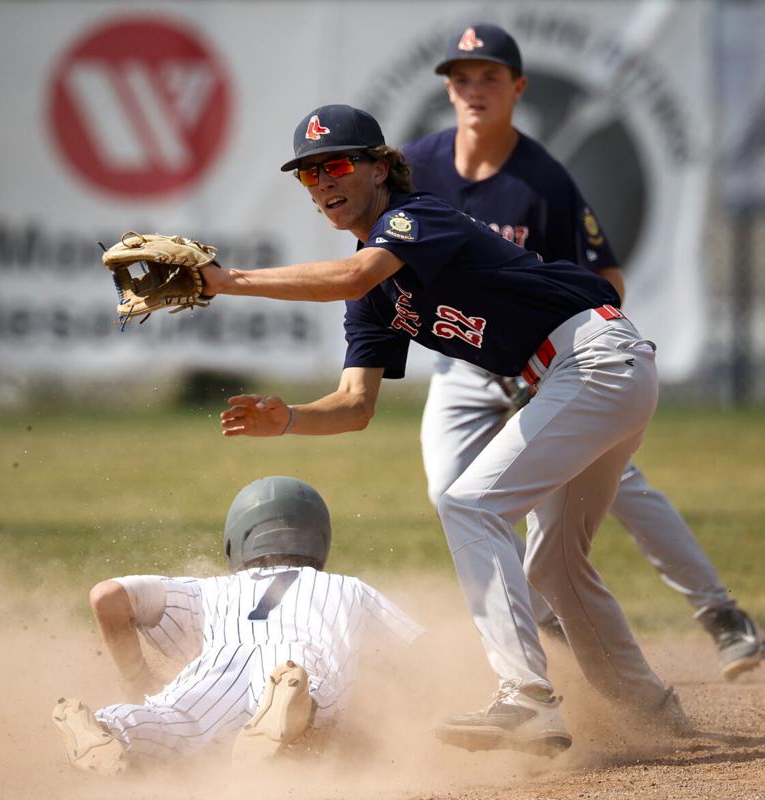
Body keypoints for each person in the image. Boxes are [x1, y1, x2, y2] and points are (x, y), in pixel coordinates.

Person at [197, 103, 686, 755]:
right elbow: (354, 404)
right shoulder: (368, 300)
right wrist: (289, 418)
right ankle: (650, 712)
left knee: (469, 500)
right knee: (555, 566)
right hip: (592, 376)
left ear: (380, 167)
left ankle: (528, 699)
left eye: (337, 164)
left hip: (594, 360)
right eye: (308, 175)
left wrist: (229, 282)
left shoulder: (412, 217)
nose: (322, 183)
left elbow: (353, 270)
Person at [403, 21, 761, 683]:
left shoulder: (544, 181)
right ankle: (542, 619)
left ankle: (721, 613)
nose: (474, 90)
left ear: (518, 87)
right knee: (452, 493)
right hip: (464, 362)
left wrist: (547, 356)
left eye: (488, 77)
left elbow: (608, 283)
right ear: (448, 91)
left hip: (545, 359)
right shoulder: (417, 167)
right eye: (461, 79)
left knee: (619, 481)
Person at [51, 476, 424, 774]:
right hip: (296, 666)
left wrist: (137, 678)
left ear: (236, 540)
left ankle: (109, 726)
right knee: (317, 700)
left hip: (219, 668)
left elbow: (106, 595)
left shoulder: (212, 589)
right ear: (320, 539)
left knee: (175, 722)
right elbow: (422, 653)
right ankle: (294, 708)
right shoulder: (347, 588)